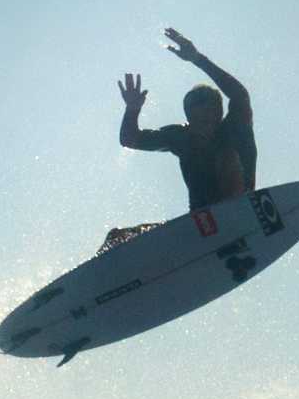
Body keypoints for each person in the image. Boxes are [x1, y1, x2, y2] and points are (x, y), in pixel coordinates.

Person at [107, 28, 256, 250]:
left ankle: (228, 214)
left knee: (227, 156)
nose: (205, 124)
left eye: (211, 117)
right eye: (199, 120)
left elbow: (240, 95)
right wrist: (132, 109)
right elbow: (130, 139)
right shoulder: (181, 138)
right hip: (199, 226)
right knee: (118, 237)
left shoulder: (234, 127)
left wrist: (197, 59)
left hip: (241, 210)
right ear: (189, 120)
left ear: (219, 115)